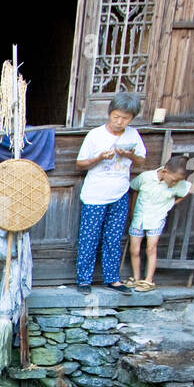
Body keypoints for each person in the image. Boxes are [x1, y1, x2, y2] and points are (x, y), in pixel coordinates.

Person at [75, 92, 146, 292]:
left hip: (120, 193)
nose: (119, 121)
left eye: (125, 118)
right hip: (95, 195)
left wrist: (128, 154)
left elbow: (141, 160)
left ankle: (113, 278)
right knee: (89, 237)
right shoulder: (95, 135)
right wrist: (98, 158)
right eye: (116, 116)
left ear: (132, 118)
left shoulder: (133, 135)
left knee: (113, 237)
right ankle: (83, 280)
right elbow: (80, 164)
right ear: (109, 113)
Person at [126, 157, 193, 291]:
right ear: (164, 171)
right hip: (139, 217)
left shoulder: (178, 183)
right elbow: (133, 188)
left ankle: (148, 281)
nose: (175, 183)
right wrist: (132, 210)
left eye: (178, 181)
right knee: (134, 249)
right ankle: (136, 278)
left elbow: (190, 189)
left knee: (151, 248)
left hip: (157, 219)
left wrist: (173, 203)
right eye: (173, 180)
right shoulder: (146, 178)